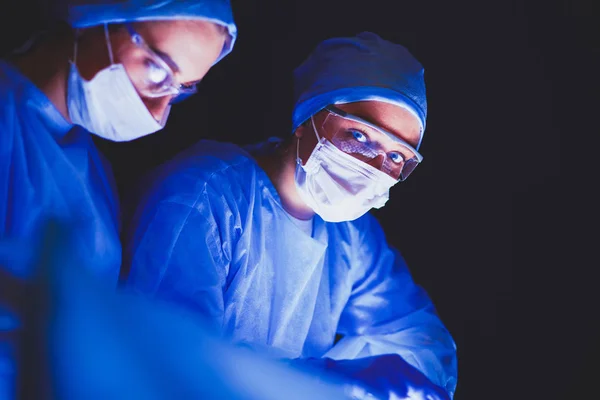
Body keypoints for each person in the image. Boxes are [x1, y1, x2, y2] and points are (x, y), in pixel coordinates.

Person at [123, 32, 457, 399]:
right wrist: (327, 382)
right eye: (360, 137)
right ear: (307, 117)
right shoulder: (203, 196)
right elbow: (172, 363)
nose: (374, 167)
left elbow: (419, 336)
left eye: (396, 157)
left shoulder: (352, 238)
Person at [0, 1, 237, 398]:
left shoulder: (90, 169)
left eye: (181, 91)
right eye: (158, 70)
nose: (161, 112)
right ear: (97, 18)